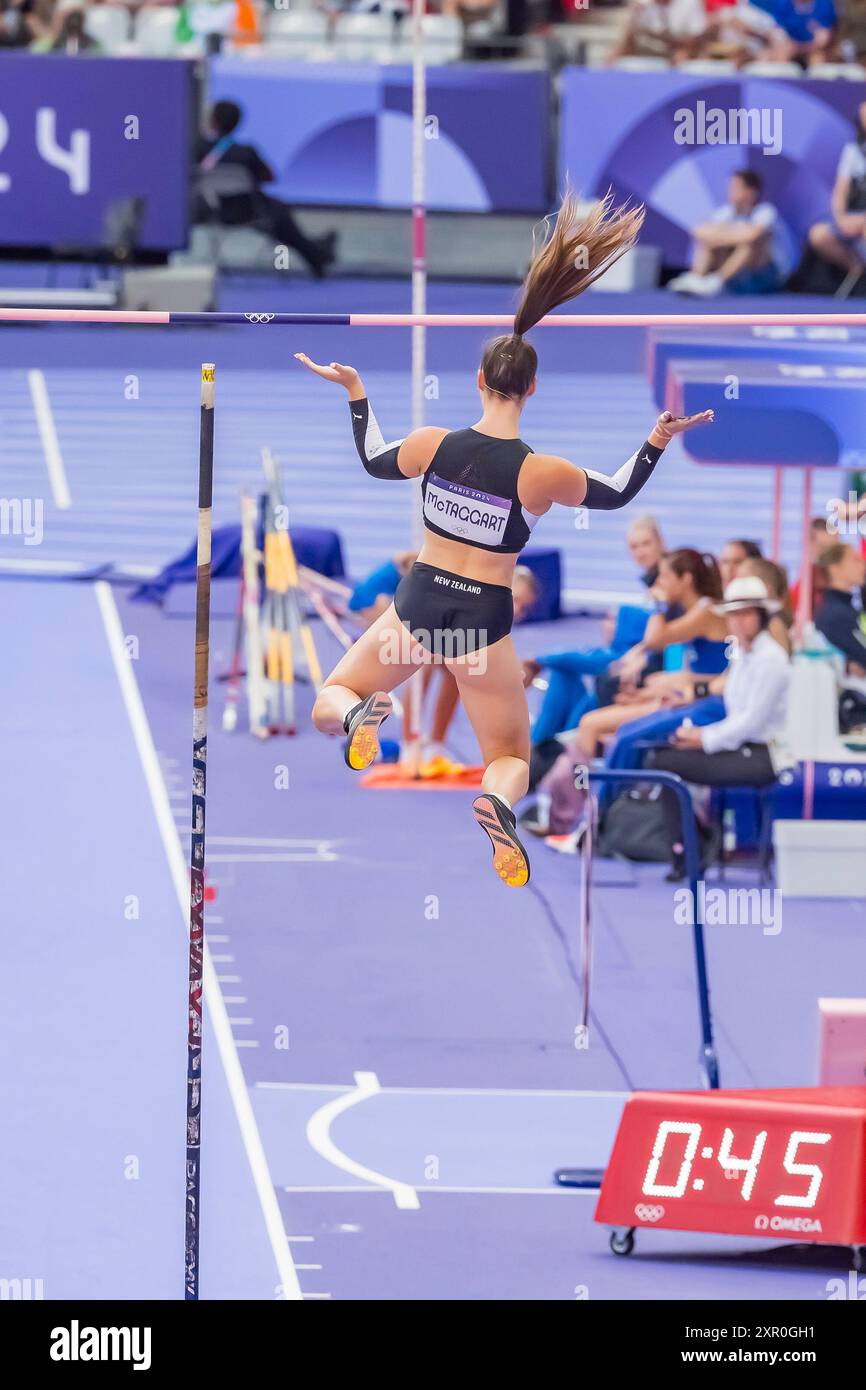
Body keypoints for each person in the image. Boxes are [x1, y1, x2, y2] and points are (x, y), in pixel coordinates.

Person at [295, 190, 713, 887]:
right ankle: (493, 801)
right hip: (483, 623)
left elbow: (373, 460)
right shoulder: (539, 473)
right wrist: (656, 439)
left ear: (481, 380)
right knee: (510, 755)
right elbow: (615, 492)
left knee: (327, 698)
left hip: (420, 605)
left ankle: (360, 715)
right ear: (532, 388)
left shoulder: (431, 443)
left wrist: (356, 392)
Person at [530, 548, 727, 839]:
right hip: (687, 695)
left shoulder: (705, 611)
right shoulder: (692, 612)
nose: (658, 583)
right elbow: (657, 649)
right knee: (590, 724)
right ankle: (571, 814)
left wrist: (658, 606)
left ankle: (593, 818)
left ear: (685, 579)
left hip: (704, 703)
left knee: (600, 727)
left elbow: (657, 640)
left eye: (664, 577)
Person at [647, 574, 791, 880]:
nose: (738, 622)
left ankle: (690, 850)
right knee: (662, 754)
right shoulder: (744, 654)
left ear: (761, 616)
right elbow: (728, 696)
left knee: (664, 765)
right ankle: (692, 845)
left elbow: (750, 721)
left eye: (746, 614)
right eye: (734, 615)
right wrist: (693, 725)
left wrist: (704, 738)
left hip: (762, 757)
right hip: (740, 747)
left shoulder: (771, 660)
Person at [195, 100, 337, 279]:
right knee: (279, 215)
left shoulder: (198, 149)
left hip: (212, 211)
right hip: (248, 212)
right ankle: (317, 254)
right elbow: (270, 176)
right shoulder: (245, 152)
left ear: (212, 120)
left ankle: (317, 253)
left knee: (277, 217)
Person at [668, 170, 794, 297]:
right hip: (737, 279)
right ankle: (696, 279)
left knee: (751, 243)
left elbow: (752, 235)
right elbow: (699, 231)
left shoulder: (766, 211)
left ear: (751, 192)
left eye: (735, 188)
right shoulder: (726, 211)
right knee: (709, 241)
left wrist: (720, 235)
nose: (730, 192)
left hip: (767, 279)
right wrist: (730, 235)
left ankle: (716, 282)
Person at [808, 102, 866, 296]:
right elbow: (840, 190)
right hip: (854, 216)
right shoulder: (854, 151)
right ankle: (855, 266)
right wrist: (841, 218)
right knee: (819, 234)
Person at [814, 542, 866, 673]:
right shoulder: (836, 613)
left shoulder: (845, 608)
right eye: (855, 560)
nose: (863, 565)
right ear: (834, 568)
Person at [607, 0, 708, 65]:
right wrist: (615, 56)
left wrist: (683, 53)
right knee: (616, 60)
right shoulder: (643, 5)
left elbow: (697, 37)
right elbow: (630, 34)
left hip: (683, 49)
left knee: (681, 59)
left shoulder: (690, 3)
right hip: (650, 51)